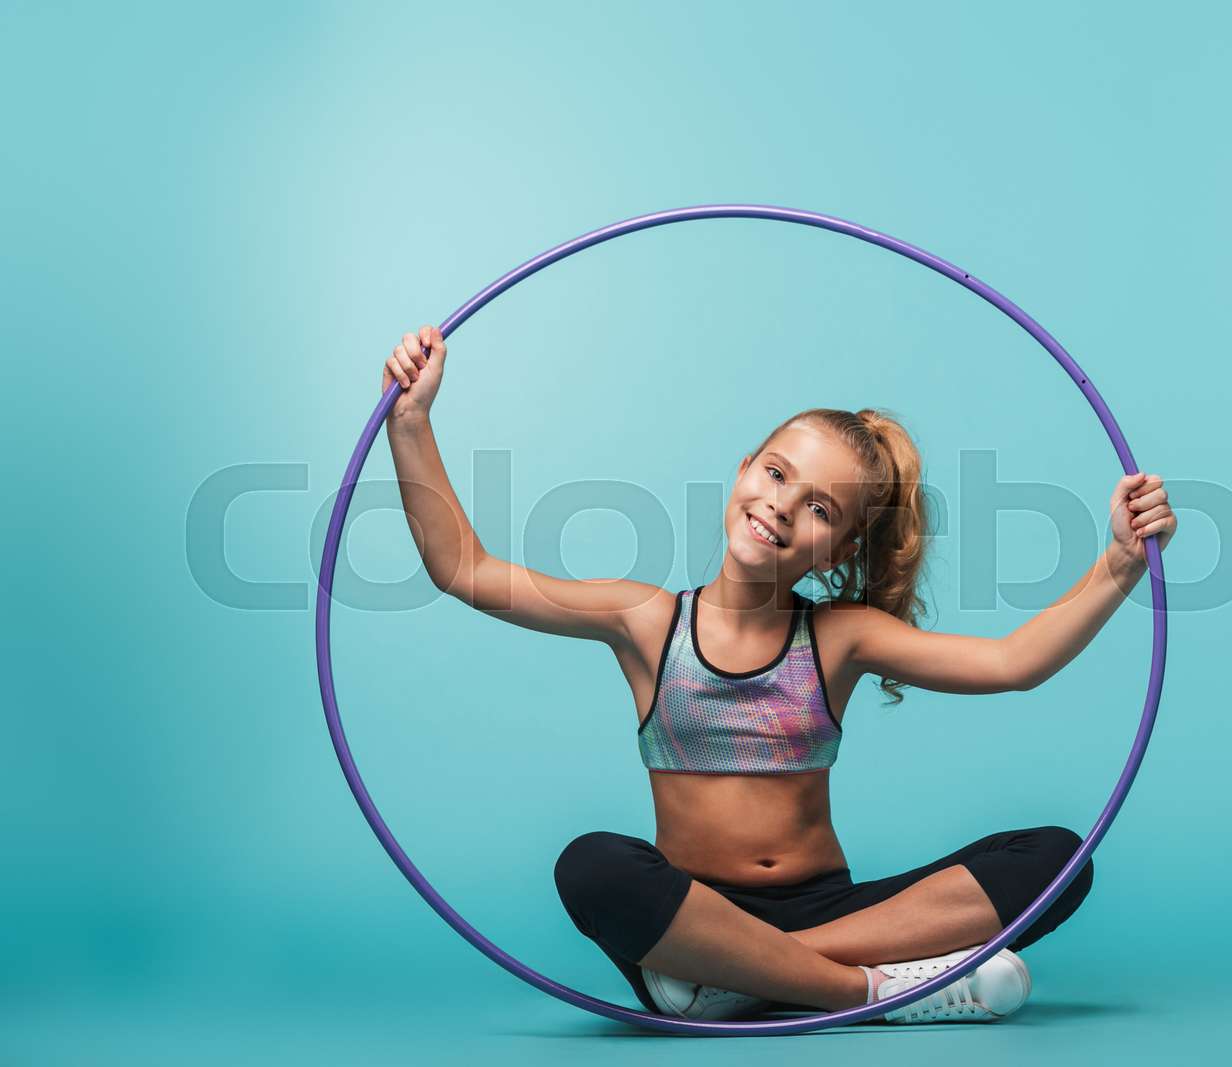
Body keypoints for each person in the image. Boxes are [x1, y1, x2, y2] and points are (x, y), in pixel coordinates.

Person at [381, 325, 1177, 1023]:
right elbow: (465, 567)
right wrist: (410, 422)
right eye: (775, 472)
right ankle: (871, 992)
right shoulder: (647, 621)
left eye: (823, 509)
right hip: (688, 910)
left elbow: (1014, 662)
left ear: (836, 553)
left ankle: (739, 976)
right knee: (591, 864)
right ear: (741, 471)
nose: (784, 505)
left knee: (1057, 856)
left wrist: (1116, 564)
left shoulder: (839, 637)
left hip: (820, 912)